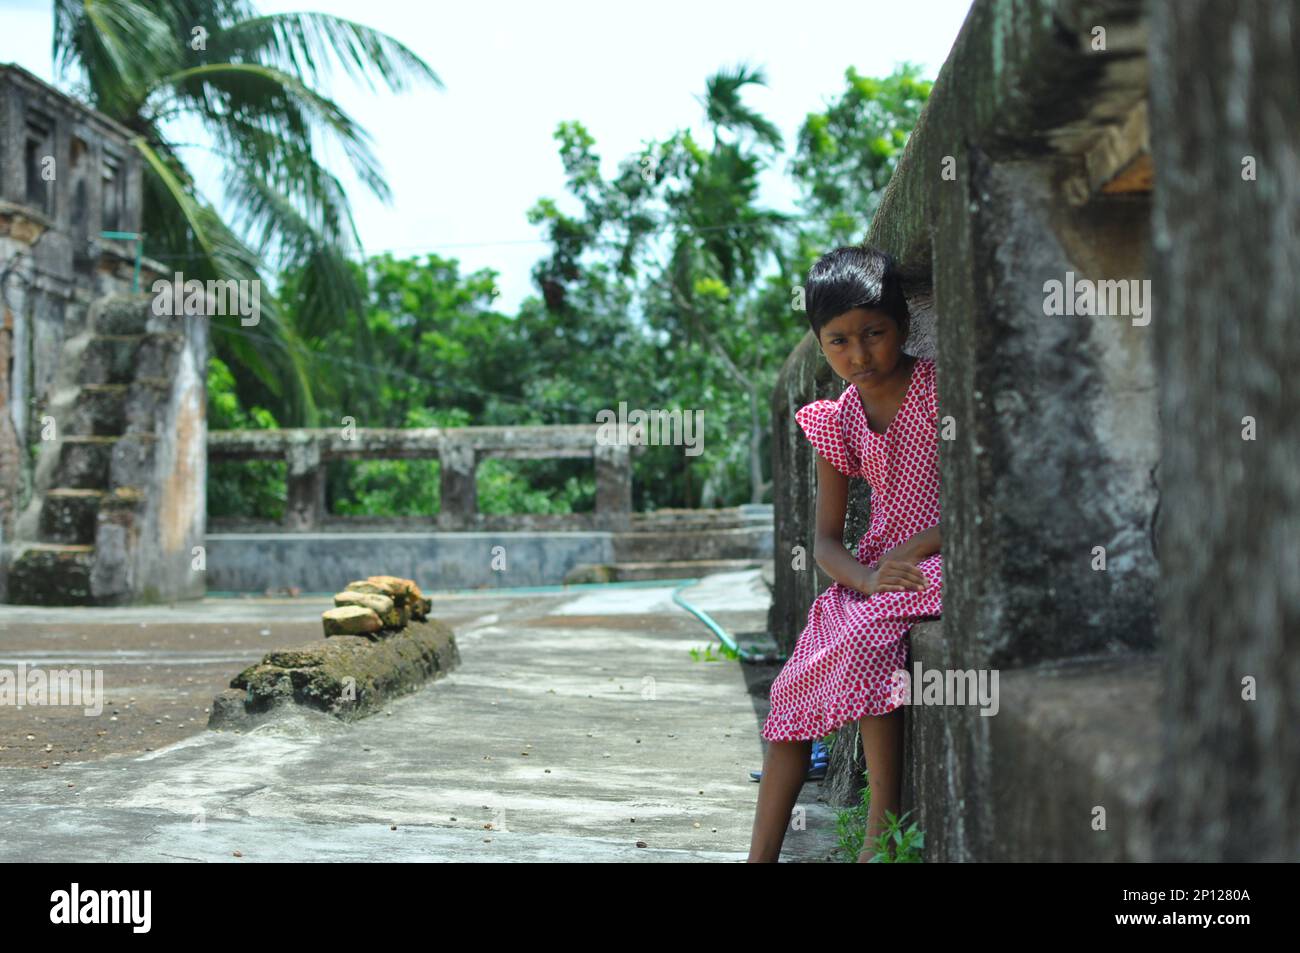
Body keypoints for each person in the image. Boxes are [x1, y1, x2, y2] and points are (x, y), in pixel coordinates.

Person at [747, 244, 942, 863]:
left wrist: (909, 554)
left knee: (866, 645)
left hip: (939, 557)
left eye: (874, 333)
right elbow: (826, 539)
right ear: (820, 342)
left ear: (904, 326)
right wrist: (864, 577)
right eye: (837, 341)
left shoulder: (943, 393)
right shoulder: (838, 420)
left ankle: (878, 840)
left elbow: (981, 497)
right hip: (870, 573)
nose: (858, 354)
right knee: (787, 695)